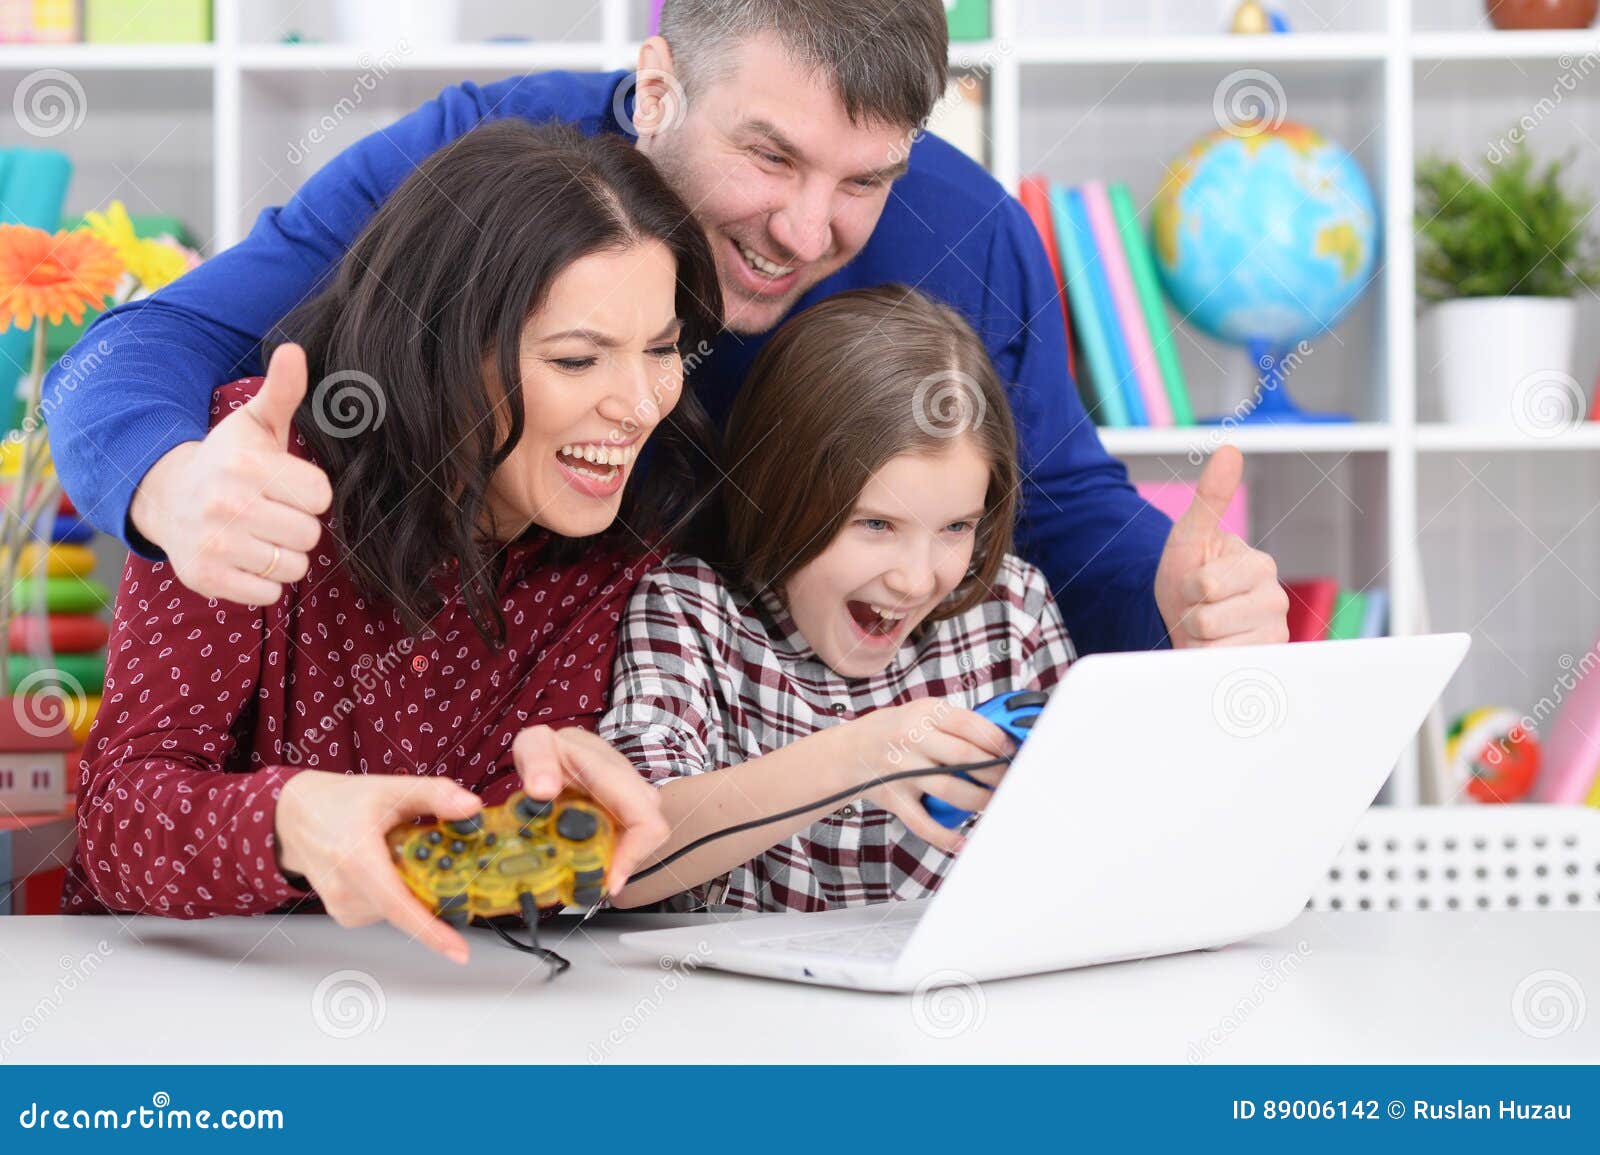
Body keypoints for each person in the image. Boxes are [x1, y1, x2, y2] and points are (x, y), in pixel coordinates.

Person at [45, 0, 1288, 661]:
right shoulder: (474, 171)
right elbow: (141, 346)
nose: (809, 231)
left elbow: (1061, 510)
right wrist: (166, 481)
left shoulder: (968, 234)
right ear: (656, 86)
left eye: (867, 179)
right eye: (769, 155)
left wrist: (1170, 593)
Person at [61, 121, 723, 963]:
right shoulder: (253, 473)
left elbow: (493, 856)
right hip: (171, 1004)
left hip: (436, 1015)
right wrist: (289, 821)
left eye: (661, 349)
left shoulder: (616, 533)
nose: (637, 405)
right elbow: (118, 823)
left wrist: (556, 814)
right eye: (578, 359)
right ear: (442, 352)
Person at [602, 287, 1087, 912]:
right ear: (780, 491)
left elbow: (1087, 834)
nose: (915, 580)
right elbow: (626, 857)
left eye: (956, 528)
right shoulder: (689, 612)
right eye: (876, 525)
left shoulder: (1011, 609)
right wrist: (857, 756)